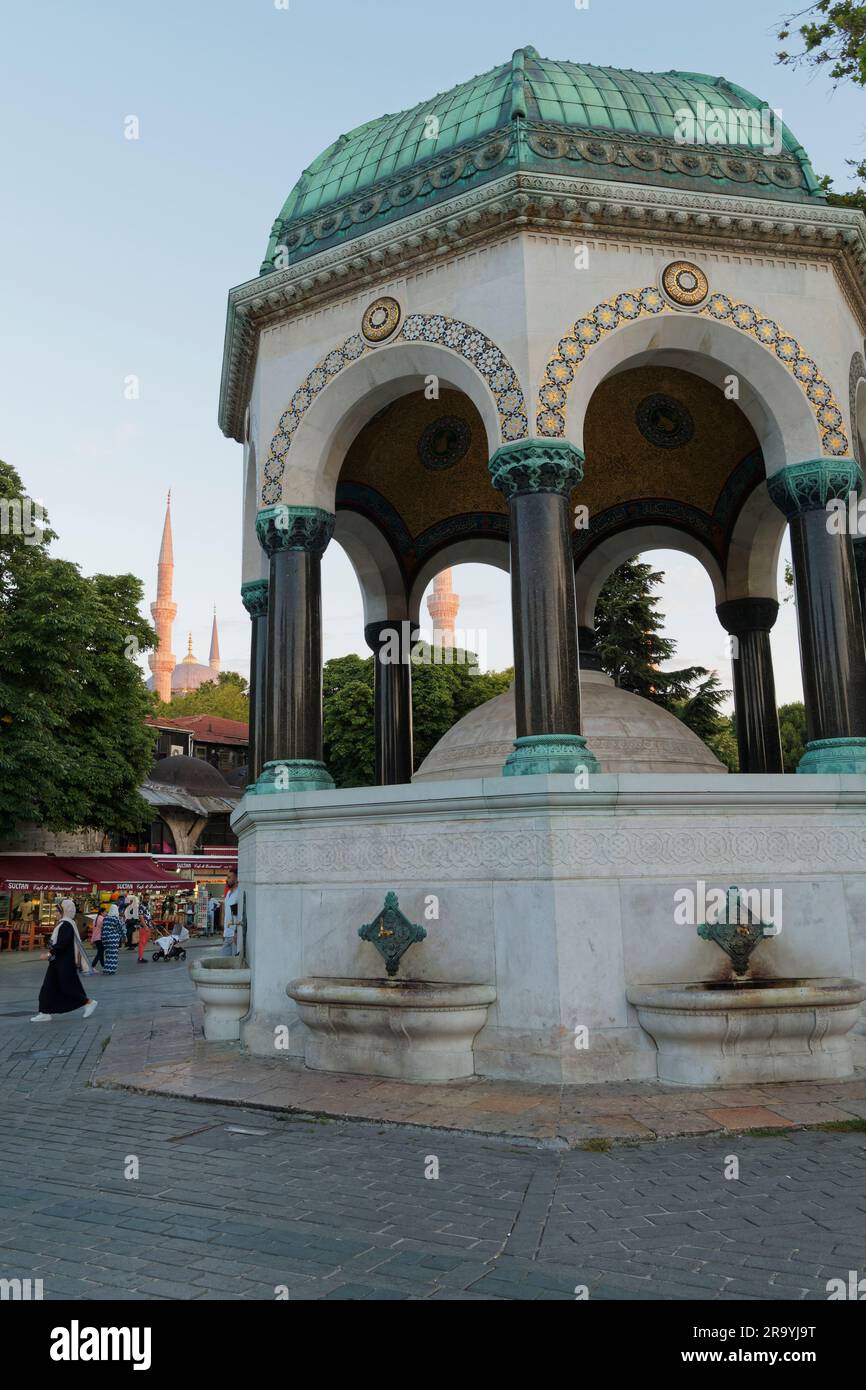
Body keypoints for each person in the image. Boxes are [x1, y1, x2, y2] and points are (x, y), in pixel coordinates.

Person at [31, 900, 98, 1023]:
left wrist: (49, 953)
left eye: (58, 911)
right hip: (58, 962)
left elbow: (62, 943)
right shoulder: (65, 924)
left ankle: (89, 1002)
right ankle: (45, 1012)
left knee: (68, 987)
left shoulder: (66, 925)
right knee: (48, 987)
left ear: (65, 911)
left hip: (64, 963)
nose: (56, 913)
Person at [100, 901, 124, 975]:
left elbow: (102, 929)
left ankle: (106, 969)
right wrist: (124, 937)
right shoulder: (116, 919)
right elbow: (121, 929)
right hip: (113, 940)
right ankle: (111, 970)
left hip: (105, 939)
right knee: (113, 955)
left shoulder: (105, 919)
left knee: (107, 954)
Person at [221, 871, 239, 957]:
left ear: (236, 879)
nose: (227, 880)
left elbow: (239, 915)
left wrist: (237, 932)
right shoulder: (228, 893)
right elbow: (227, 913)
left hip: (234, 935)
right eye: (227, 877)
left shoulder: (238, 893)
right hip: (227, 933)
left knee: (234, 962)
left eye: (229, 877)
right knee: (224, 961)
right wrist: (223, 931)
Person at [90, 905, 106, 972]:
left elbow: (94, 930)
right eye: (105, 912)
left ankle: (103, 966)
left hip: (96, 938)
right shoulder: (102, 919)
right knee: (100, 953)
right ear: (102, 912)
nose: (106, 913)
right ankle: (92, 966)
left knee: (101, 952)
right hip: (100, 937)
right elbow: (104, 928)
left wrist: (92, 939)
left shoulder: (95, 919)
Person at [137, 898, 152, 964]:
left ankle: (141, 956)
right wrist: (145, 926)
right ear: (143, 899)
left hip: (147, 926)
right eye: (146, 898)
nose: (147, 900)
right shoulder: (141, 907)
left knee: (143, 943)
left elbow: (148, 916)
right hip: (144, 927)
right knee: (142, 943)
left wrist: (152, 923)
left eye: (148, 898)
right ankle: (140, 958)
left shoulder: (147, 906)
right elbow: (141, 917)